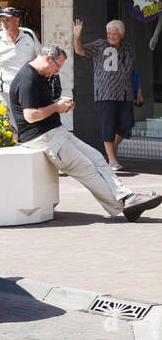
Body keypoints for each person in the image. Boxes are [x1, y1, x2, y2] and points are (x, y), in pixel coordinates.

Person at [10, 44, 160, 221]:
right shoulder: (28, 79)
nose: (58, 70)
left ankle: (128, 198)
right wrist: (56, 107)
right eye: (58, 66)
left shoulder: (40, 74)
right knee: (87, 169)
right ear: (48, 59)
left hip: (55, 132)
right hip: (44, 138)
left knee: (96, 158)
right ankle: (125, 203)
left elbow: (42, 105)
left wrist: (58, 103)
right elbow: (31, 115)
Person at [73, 17, 143, 171]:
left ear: (122, 34)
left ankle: (106, 154)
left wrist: (138, 90)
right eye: (109, 33)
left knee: (127, 125)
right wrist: (77, 36)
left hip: (125, 94)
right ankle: (112, 160)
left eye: (115, 34)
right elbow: (80, 51)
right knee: (109, 127)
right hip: (106, 93)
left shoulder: (128, 48)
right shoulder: (100, 45)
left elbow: (133, 71)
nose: (111, 36)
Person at [0, 6, 41, 126]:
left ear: (17, 20)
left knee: (29, 123)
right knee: (8, 126)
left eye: (7, 20)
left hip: (27, 88)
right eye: (2, 20)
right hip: (5, 89)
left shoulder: (29, 35)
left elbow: (40, 58)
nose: (4, 23)